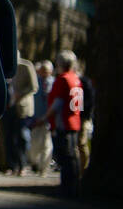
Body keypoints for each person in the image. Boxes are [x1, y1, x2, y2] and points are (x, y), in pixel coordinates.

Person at [46, 51, 82, 197]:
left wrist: (45, 117)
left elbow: (57, 103)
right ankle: (72, 185)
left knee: (65, 157)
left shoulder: (62, 79)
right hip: (74, 121)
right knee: (72, 156)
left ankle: (67, 188)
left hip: (63, 122)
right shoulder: (76, 79)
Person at [6, 57, 38, 175]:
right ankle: (12, 166)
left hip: (22, 107)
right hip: (8, 107)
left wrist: (19, 95)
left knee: (22, 137)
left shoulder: (26, 66)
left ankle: (22, 165)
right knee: (9, 137)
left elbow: (34, 87)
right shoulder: (5, 65)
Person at [28, 60, 55, 175]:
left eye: (47, 71)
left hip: (48, 119)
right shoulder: (35, 83)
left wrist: (47, 117)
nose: (44, 73)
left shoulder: (54, 83)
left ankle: (43, 168)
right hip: (35, 118)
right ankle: (35, 163)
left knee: (47, 145)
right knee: (34, 145)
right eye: (43, 71)